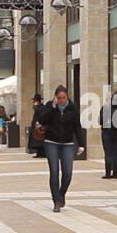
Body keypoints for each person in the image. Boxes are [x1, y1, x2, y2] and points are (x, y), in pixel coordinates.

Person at [37, 85, 85, 213]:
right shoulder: (49, 106)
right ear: (55, 97)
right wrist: (52, 108)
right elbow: (41, 119)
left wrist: (81, 144)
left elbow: (77, 127)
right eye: (59, 98)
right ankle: (56, 201)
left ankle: (62, 193)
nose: (61, 100)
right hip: (51, 142)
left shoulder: (72, 108)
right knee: (54, 171)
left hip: (68, 143)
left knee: (68, 172)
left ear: (67, 97)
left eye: (64, 98)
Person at [99, 90, 117, 179]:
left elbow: (100, 120)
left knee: (108, 153)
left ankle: (108, 173)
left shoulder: (106, 107)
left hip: (106, 131)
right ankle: (115, 173)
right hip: (116, 132)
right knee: (116, 152)